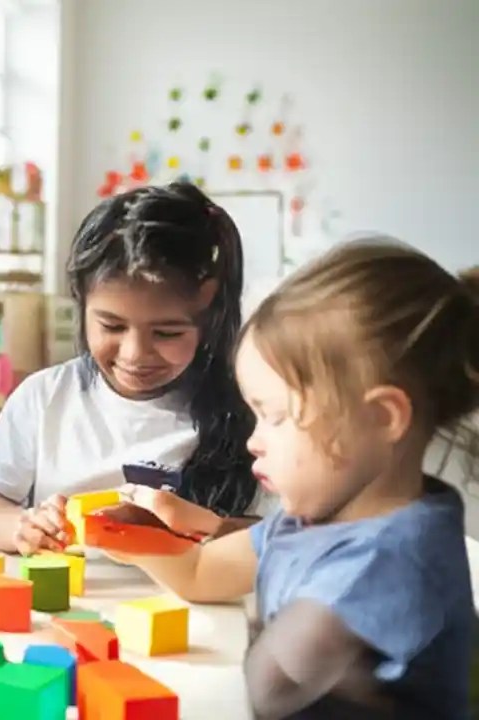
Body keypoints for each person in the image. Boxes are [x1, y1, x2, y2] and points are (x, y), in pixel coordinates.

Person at [118, 239, 476, 718]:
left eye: (276, 417)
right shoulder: (324, 518)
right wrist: (130, 534)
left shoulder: (393, 561)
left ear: (382, 418)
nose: (254, 440)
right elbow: (202, 573)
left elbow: (268, 689)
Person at [0, 182, 260, 554]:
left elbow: (280, 536)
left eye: (167, 332)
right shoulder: (45, 397)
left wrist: (198, 525)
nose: (135, 354)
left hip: (183, 606)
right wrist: (20, 527)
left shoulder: (247, 413)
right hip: (65, 604)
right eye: (112, 326)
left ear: (210, 323)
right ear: (82, 307)